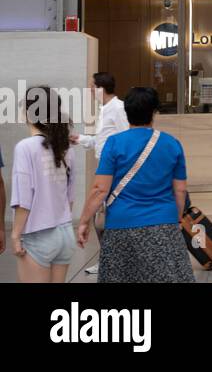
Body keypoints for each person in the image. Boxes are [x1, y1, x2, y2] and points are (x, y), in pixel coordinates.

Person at [76, 87, 193, 283]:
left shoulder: (114, 144)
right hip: (163, 225)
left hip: (122, 227)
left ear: (127, 111)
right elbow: (180, 190)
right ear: (154, 112)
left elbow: (100, 189)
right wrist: (176, 218)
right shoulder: (171, 143)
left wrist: (84, 221)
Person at [9, 87, 77, 283]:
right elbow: (70, 197)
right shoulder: (66, 148)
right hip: (64, 233)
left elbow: (24, 198)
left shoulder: (25, 147)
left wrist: (15, 235)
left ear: (28, 114)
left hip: (38, 234)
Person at [69, 72, 129, 276]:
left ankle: (111, 261)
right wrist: (82, 139)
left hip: (114, 171)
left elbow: (125, 138)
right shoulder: (105, 110)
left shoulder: (118, 108)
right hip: (105, 168)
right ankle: (108, 260)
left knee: (101, 218)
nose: (90, 90)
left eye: (92, 86)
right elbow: (103, 140)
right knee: (101, 218)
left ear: (100, 88)